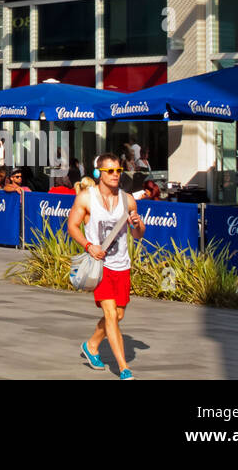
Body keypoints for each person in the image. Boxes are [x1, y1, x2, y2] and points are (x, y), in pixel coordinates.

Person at [68, 153, 146, 381]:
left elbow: (138, 235)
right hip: (100, 266)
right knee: (110, 314)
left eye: (118, 171)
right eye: (110, 171)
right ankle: (124, 368)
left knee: (119, 315)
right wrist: (88, 245)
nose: (115, 175)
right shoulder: (86, 198)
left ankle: (92, 345)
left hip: (122, 266)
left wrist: (138, 225)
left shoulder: (128, 200)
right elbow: (72, 226)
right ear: (98, 173)